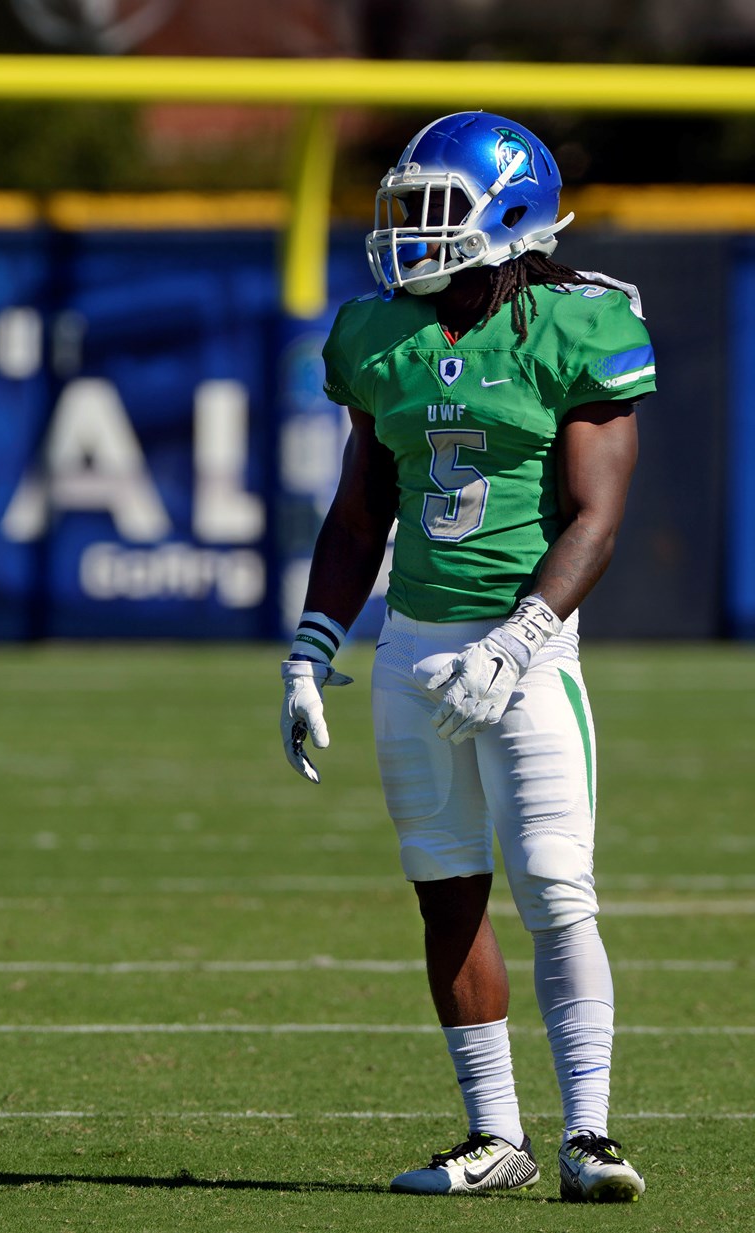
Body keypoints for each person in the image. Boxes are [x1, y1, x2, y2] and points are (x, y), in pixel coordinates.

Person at [279, 111, 655, 1202]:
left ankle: (589, 1135)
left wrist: (520, 640)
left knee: (554, 888)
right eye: (403, 208)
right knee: (446, 894)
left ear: (512, 212)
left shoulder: (578, 326)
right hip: (410, 653)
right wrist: (310, 647)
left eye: (433, 210)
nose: (408, 232)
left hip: (528, 654)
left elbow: (596, 516)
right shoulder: (375, 335)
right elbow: (359, 517)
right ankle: (495, 1138)